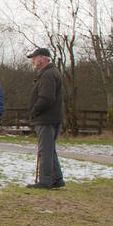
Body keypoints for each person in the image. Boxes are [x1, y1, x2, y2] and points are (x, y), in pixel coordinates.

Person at [26, 47, 64, 189]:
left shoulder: (48, 75)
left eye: (34, 58)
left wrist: (34, 111)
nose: (33, 61)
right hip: (51, 117)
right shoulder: (50, 73)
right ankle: (57, 178)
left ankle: (45, 181)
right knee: (49, 149)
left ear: (43, 58)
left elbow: (46, 98)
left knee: (45, 151)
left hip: (46, 119)